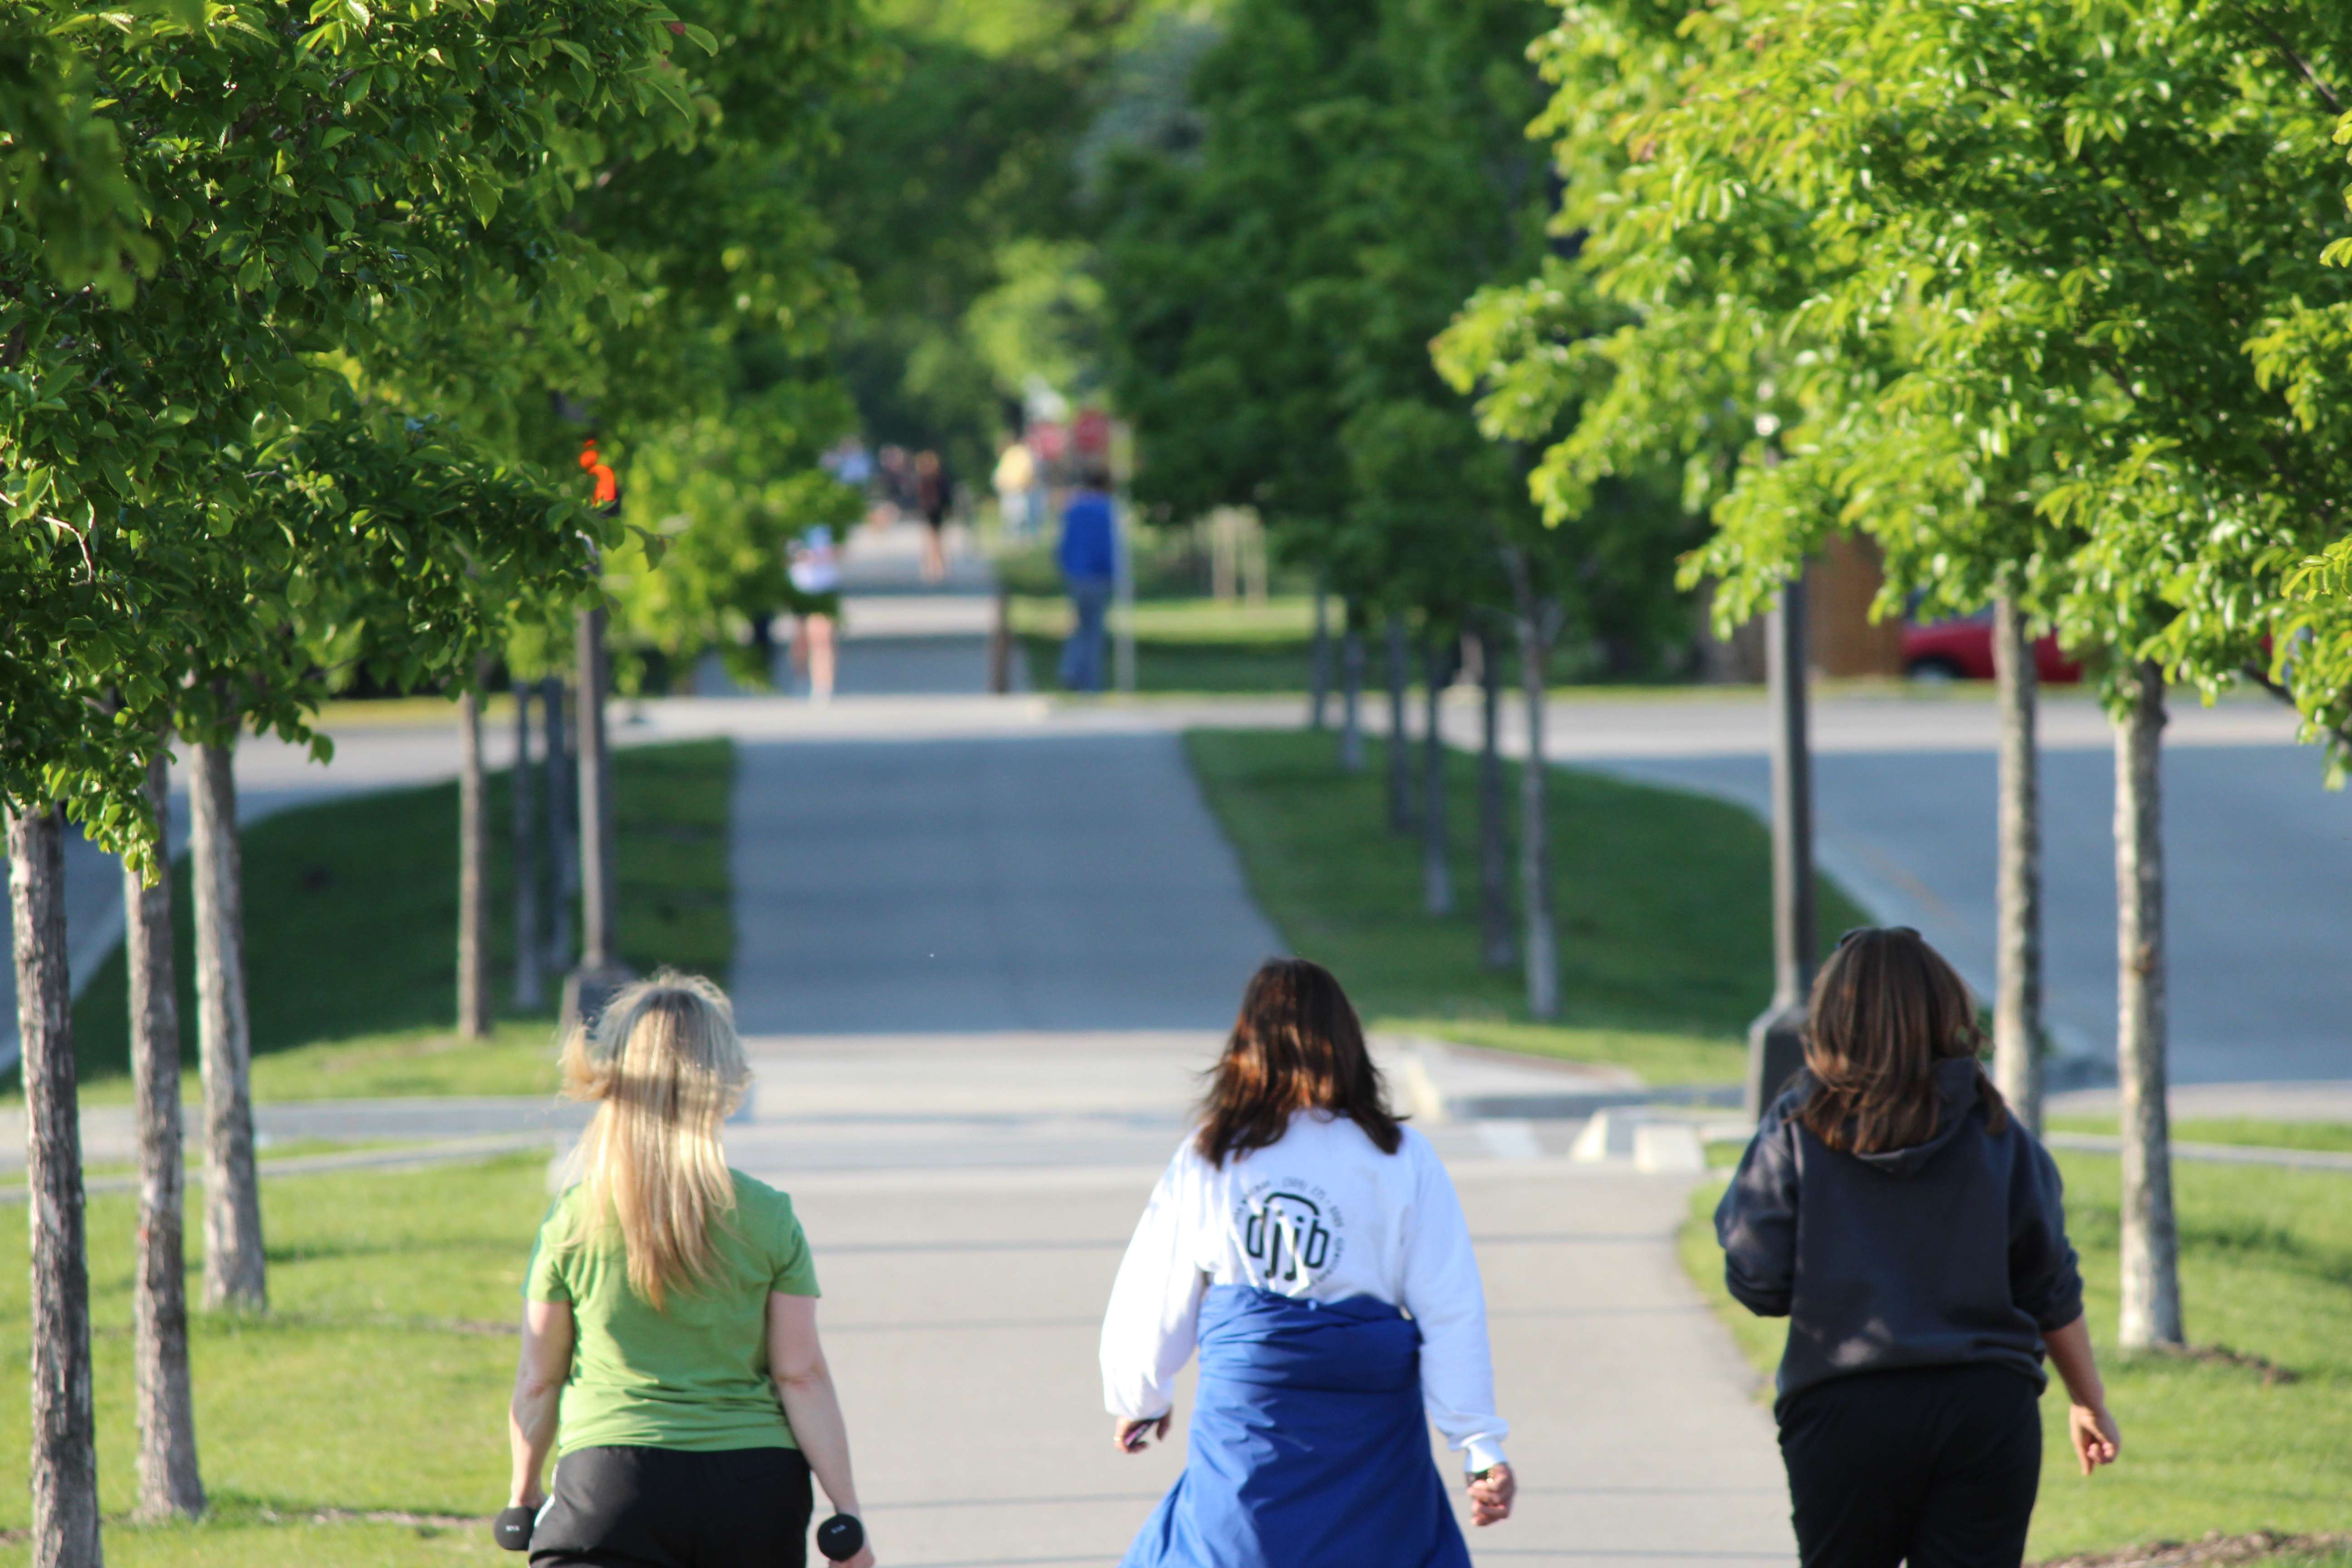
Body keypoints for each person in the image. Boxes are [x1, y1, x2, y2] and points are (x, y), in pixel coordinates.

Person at [1716, 927, 2120, 1568]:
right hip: (1986, 1407)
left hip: (1845, 1406)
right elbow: (2048, 1284)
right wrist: (2088, 1400)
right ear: (1947, 1012)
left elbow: (1757, 1279)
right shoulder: (1994, 1127)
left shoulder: (1798, 1125)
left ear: (1832, 1018)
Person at [1100, 958, 1514, 1568]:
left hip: (1254, 1401)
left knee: (1232, 1548)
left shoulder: (1214, 1152)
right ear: (1348, 1042)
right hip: (1370, 1409)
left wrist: (1141, 1395)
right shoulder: (1399, 1155)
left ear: (1247, 1045)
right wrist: (1479, 1444)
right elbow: (1448, 1304)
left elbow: (1158, 1285)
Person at [508, 974, 877, 1568]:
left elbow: (538, 1378)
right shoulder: (767, 1216)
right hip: (754, 1492)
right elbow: (801, 1374)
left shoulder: (573, 1220)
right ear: (723, 1082)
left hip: (609, 1484)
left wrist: (523, 1493)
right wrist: (847, 1513)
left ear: (618, 1081)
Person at [1056, 470, 1116, 691]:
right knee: (1094, 629)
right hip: (1098, 575)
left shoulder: (1074, 508)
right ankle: (1090, 680)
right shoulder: (1107, 510)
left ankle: (1070, 669)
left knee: (1080, 625)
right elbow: (1108, 546)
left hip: (1075, 574)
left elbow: (1065, 543)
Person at [788, 526, 843, 703]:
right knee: (802, 638)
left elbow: (842, 549)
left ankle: (824, 685)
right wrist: (801, 557)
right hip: (800, 587)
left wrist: (826, 555)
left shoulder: (829, 523)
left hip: (825, 586)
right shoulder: (791, 521)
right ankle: (802, 676)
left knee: (823, 637)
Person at [913, 450, 951, 583]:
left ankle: (937, 566)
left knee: (935, 540)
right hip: (928, 511)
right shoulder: (923, 480)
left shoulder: (938, 479)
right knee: (931, 539)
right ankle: (932, 566)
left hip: (936, 511)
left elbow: (946, 497)